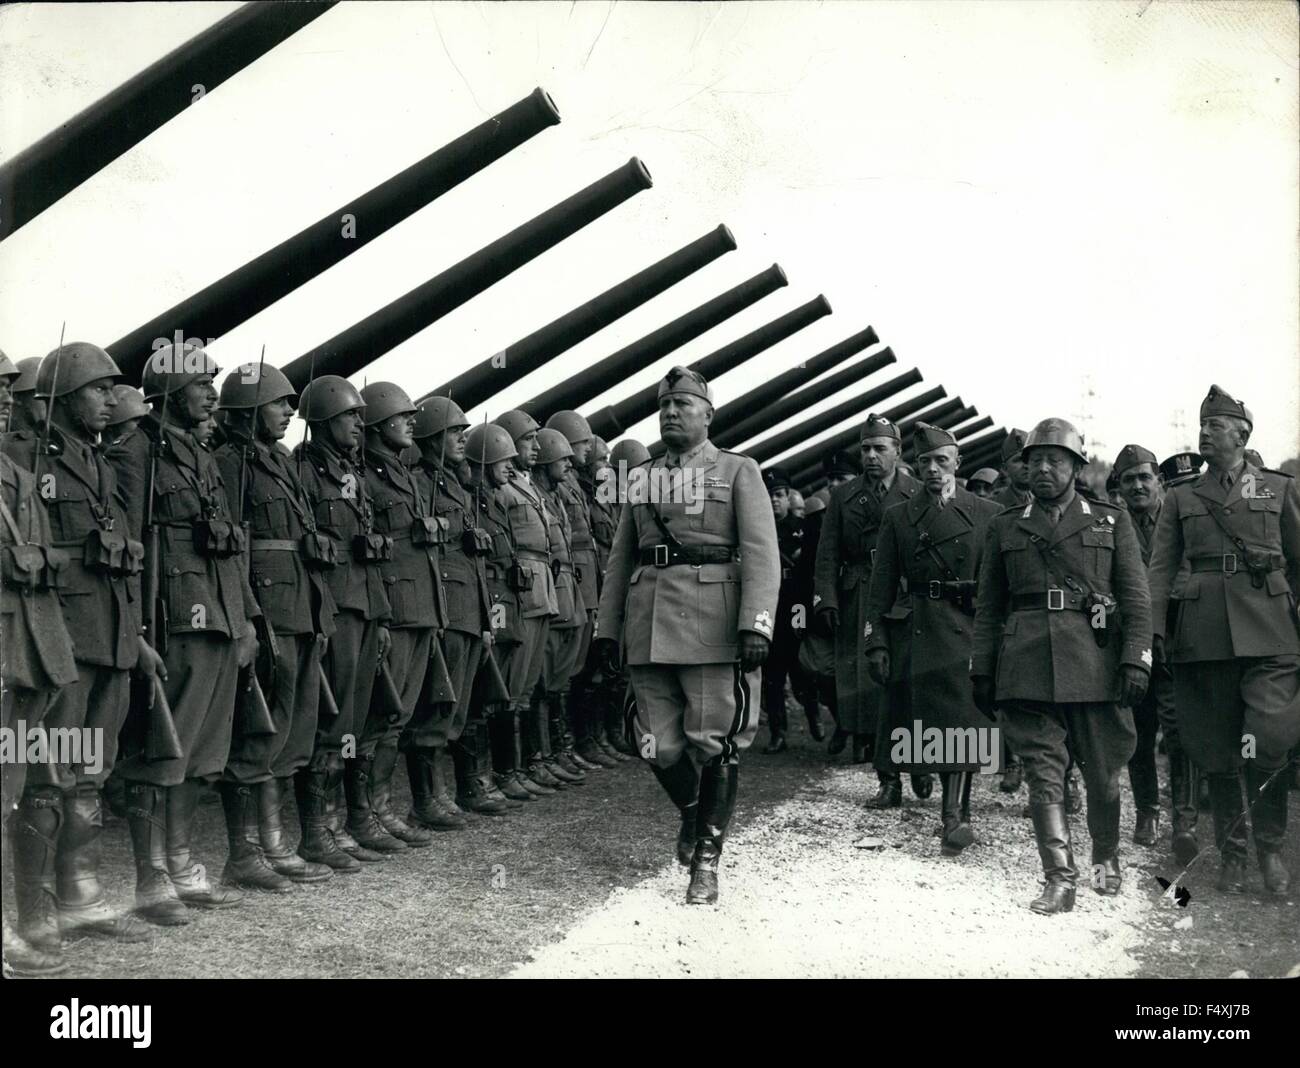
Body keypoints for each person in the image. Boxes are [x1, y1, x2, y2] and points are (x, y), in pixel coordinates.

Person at [595, 366, 779, 905]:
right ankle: (696, 814)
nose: (671, 412)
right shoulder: (643, 478)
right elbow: (620, 559)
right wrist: (607, 629)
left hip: (712, 624)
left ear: (708, 414)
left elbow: (762, 553)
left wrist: (757, 624)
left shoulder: (738, 470)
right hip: (648, 623)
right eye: (664, 405)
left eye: (682, 404)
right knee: (654, 741)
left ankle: (706, 862)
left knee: (714, 740)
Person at [4, 343, 159, 957]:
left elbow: (124, 554)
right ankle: (36, 912)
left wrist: (136, 636)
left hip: (109, 636)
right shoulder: (24, 455)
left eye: (112, 390)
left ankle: (82, 896)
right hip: (60, 640)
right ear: (66, 397)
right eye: (98, 389)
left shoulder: (101, 462)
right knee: (46, 778)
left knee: (91, 774)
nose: (110, 400)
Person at [971, 417, 1151, 914]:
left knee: (1103, 774)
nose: (1044, 469)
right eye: (1035, 461)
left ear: (1076, 467)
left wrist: (1136, 659)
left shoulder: (1111, 520)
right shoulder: (1005, 525)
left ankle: (1105, 859)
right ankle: (1060, 879)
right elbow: (989, 606)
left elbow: (1136, 599)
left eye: (1055, 460)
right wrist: (982, 668)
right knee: (1043, 773)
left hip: (1095, 663)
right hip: (1026, 663)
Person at [108, 342, 261, 921]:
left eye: (213, 384)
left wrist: (245, 619)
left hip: (218, 620)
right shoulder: (135, 453)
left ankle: (181, 863)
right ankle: (151, 881)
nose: (212, 394)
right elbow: (126, 553)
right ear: (170, 391)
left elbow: (231, 543)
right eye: (200, 384)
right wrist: (135, 632)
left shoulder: (201, 454)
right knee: (160, 751)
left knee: (202, 755)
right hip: (172, 622)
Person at [1148, 386, 1299, 897]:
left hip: (1271, 633)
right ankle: (1233, 855)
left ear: (1242, 434)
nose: (1204, 433)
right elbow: (1160, 569)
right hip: (1204, 635)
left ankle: (1270, 851)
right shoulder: (1182, 496)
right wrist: (1154, 631)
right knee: (1217, 750)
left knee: (1268, 741)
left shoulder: (1277, 488)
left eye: (1215, 425)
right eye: (1202, 424)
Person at [214, 363, 337, 882]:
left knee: (294, 730)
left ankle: (275, 842)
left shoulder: (281, 460)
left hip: (301, 604)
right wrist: (248, 615)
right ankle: (245, 854)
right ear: (248, 410)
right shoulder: (230, 462)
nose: (289, 411)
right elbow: (232, 546)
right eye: (278, 403)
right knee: (260, 730)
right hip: (268, 608)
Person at [863, 423, 1001, 856]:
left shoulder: (988, 513)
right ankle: (941, 800)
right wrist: (875, 641)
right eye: (924, 462)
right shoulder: (898, 516)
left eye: (942, 460)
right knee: (928, 721)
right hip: (917, 626)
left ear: (958, 461)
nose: (933, 469)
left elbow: (1000, 583)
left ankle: (954, 816)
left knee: (963, 718)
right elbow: (880, 587)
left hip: (968, 624)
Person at [0, 350, 80, 975]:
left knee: (19, 785)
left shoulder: (17, 474)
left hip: (27, 652)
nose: (6, 398)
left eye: (7, 388)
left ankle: (27, 916)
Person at [293, 375, 393, 866]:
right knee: (330, 721)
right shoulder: (304, 471)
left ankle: (344, 822)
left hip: (366, 603)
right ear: (325, 419)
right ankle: (318, 831)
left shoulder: (351, 471)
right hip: (334, 607)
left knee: (355, 717)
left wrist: (383, 613)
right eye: (350, 415)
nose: (359, 422)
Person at [814, 413, 931, 803]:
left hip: (905, 596)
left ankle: (919, 762)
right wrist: (827, 599)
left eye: (879, 448)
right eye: (865, 449)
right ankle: (887, 774)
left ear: (897, 451)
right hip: (860, 594)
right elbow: (827, 554)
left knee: (911, 681)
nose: (870, 456)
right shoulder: (843, 496)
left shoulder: (918, 492)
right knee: (868, 683)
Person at [413, 396, 510, 818]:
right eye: (453, 432)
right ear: (432, 436)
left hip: (468, 606)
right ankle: (427, 799)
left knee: (460, 705)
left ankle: (446, 793)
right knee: (437, 703)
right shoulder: (420, 482)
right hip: (448, 607)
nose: (461, 439)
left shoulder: (456, 484)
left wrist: (486, 617)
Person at [359, 382, 446, 847]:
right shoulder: (366, 476)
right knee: (379, 715)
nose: (411, 421)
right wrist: (382, 615)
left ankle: (382, 809)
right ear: (378, 424)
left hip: (421, 606)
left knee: (400, 715)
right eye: (402, 416)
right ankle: (365, 815)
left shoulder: (403, 473)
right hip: (394, 605)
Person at [1113, 444, 1186, 854]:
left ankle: (1184, 819)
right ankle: (1147, 811)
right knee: (1138, 735)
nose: (1137, 486)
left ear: (1159, 481)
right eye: (1129, 480)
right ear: (1119, 487)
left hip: (1177, 643)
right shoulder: (1112, 524)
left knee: (1179, 733)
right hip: (1134, 647)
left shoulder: (1179, 518)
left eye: (1144, 477)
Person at [492, 410, 568, 792]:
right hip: (520, 586)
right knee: (511, 684)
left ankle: (525, 766)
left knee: (527, 685)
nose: (536, 447)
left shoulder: (529, 488)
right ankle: (507, 771)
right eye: (527, 440)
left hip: (541, 586)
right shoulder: (503, 489)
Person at [532, 428, 593, 781]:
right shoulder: (535, 495)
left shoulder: (554, 496)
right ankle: (542, 756)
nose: (569, 464)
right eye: (562, 458)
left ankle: (558, 750)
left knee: (560, 677)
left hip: (568, 588)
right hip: (550, 590)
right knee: (543, 679)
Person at [761, 466, 821, 752]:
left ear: (788, 497)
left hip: (796, 604)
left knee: (802, 667)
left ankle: (813, 714)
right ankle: (778, 733)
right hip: (769, 605)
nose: (774, 500)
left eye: (779, 495)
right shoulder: (758, 528)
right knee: (772, 673)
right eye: (770, 495)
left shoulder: (803, 528)